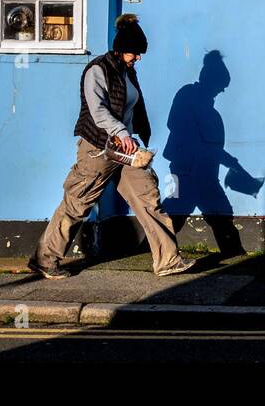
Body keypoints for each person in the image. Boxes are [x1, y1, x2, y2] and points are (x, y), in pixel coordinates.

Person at [29, 14, 193, 279]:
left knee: (148, 199)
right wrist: (120, 131)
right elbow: (98, 110)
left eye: (139, 53)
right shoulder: (97, 70)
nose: (138, 58)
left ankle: (167, 261)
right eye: (134, 53)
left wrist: (132, 135)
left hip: (125, 151)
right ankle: (44, 260)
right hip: (98, 149)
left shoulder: (127, 71)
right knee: (77, 204)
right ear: (120, 49)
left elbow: (129, 108)